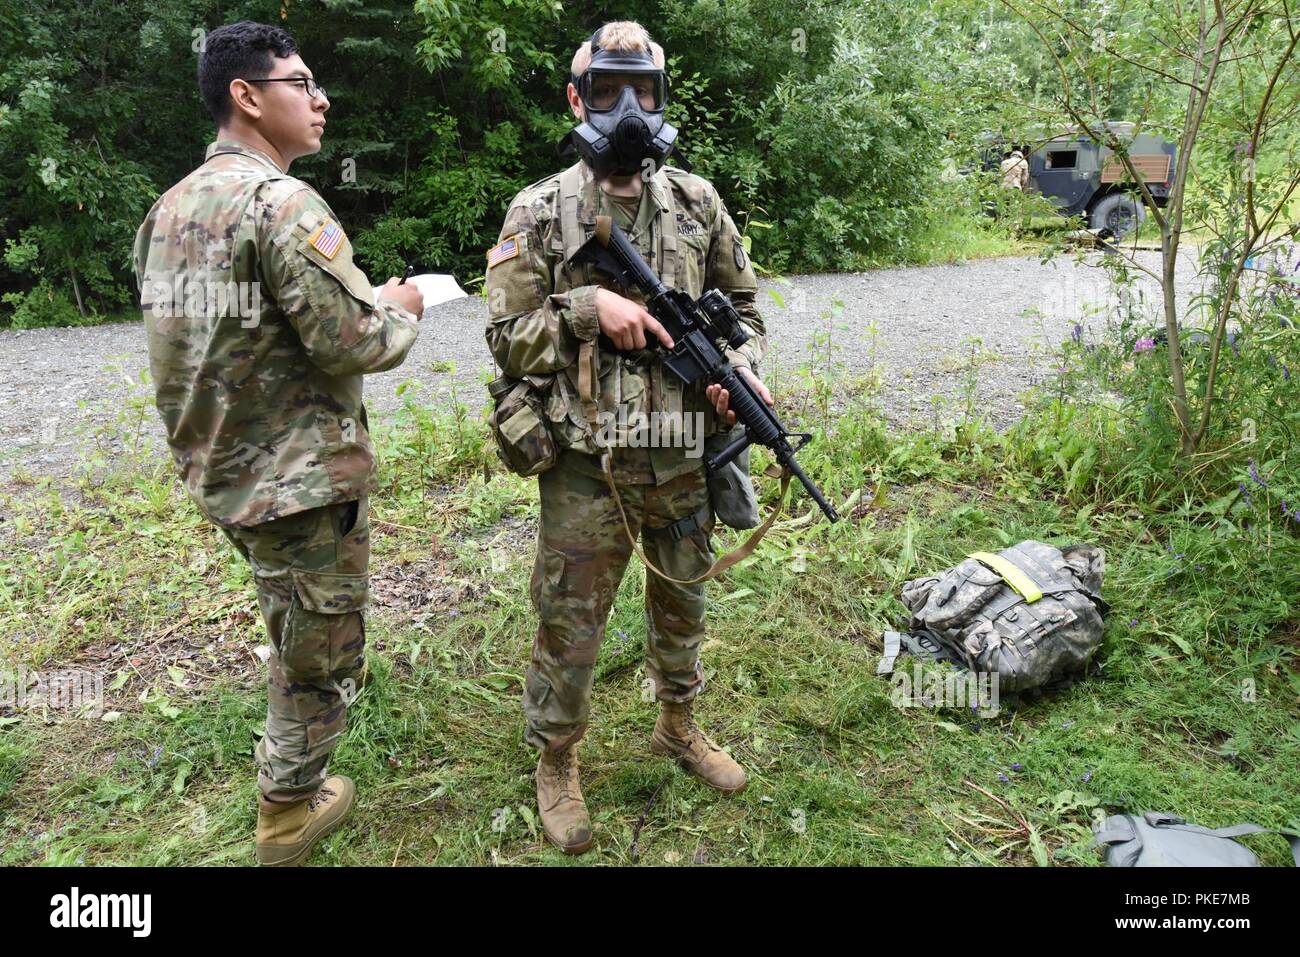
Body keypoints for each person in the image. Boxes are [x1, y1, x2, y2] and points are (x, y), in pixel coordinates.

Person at [132, 20, 424, 866]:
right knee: (317, 660)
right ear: (247, 96)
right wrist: (400, 305)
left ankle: (288, 788)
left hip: (226, 474)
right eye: (301, 82)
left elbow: (193, 348)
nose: (321, 98)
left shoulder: (170, 208)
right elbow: (352, 342)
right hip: (297, 480)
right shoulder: (282, 203)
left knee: (294, 624)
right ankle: (286, 816)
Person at [485, 20, 773, 854]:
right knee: (570, 622)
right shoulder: (539, 212)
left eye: (641, 90)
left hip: (684, 455)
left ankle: (678, 724)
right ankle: (557, 760)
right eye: (607, 89)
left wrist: (738, 370)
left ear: (661, 98)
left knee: (683, 601)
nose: (626, 109)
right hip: (588, 465)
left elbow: (744, 311)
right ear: (577, 99)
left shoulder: (697, 202)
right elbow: (504, 337)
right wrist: (587, 311)